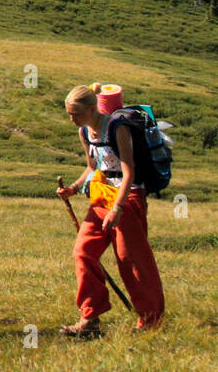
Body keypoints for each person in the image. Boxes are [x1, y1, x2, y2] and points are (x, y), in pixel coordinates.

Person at [56, 84, 165, 337]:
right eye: (69, 114)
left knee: (131, 261)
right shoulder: (85, 131)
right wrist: (73, 188)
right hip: (102, 197)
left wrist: (118, 208)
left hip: (128, 196)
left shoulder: (118, 128)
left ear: (93, 109)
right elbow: (93, 167)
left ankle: (151, 321)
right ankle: (90, 318)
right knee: (83, 252)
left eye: (76, 114)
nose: (72, 120)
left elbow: (129, 173)